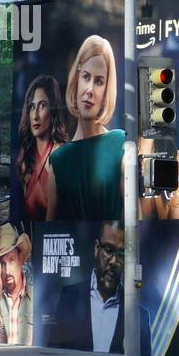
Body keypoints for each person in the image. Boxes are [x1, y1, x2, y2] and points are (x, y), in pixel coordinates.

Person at [45, 35, 125, 221]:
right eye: (86, 77)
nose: (89, 89)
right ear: (76, 79)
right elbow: (49, 228)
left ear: (107, 89)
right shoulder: (58, 161)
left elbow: (135, 219)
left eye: (99, 81)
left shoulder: (120, 143)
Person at [49, 220, 152, 355]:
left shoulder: (140, 317)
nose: (114, 261)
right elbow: (53, 353)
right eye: (108, 250)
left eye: (121, 254)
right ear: (97, 248)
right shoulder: (68, 298)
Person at [11, 74, 68, 221]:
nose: (35, 116)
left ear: (53, 110)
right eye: (32, 107)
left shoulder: (59, 154)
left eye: (42, 105)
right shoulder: (25, 158)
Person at [0, 223, 34, 346]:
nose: (7, 271)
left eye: (11, 260)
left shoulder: (36, 297)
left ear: (20, 259)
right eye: (3, 263)